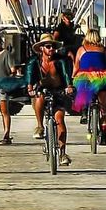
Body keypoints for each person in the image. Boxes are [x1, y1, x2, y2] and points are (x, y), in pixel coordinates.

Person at [26, 33, 75, 166]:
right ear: (42, 48)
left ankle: (62, 153)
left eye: (53, 46)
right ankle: (40, 126)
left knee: (60, 121)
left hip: (59, 92)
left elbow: (66, 74)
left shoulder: (60, 61)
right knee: (40, 96)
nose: (51, 49)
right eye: (48, 46)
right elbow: (30, 75)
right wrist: (30, 87)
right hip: (42, 91)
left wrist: (69, 86)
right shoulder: (34, 61)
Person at [72, 28, 106, 145]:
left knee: (81, 86)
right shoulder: (103, 50)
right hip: (102, 78)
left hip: (86, 78)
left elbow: (76, 67)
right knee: (103, 109)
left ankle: (84, 112)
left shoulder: (81, 49)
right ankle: (103, 138)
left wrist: (72, 78)